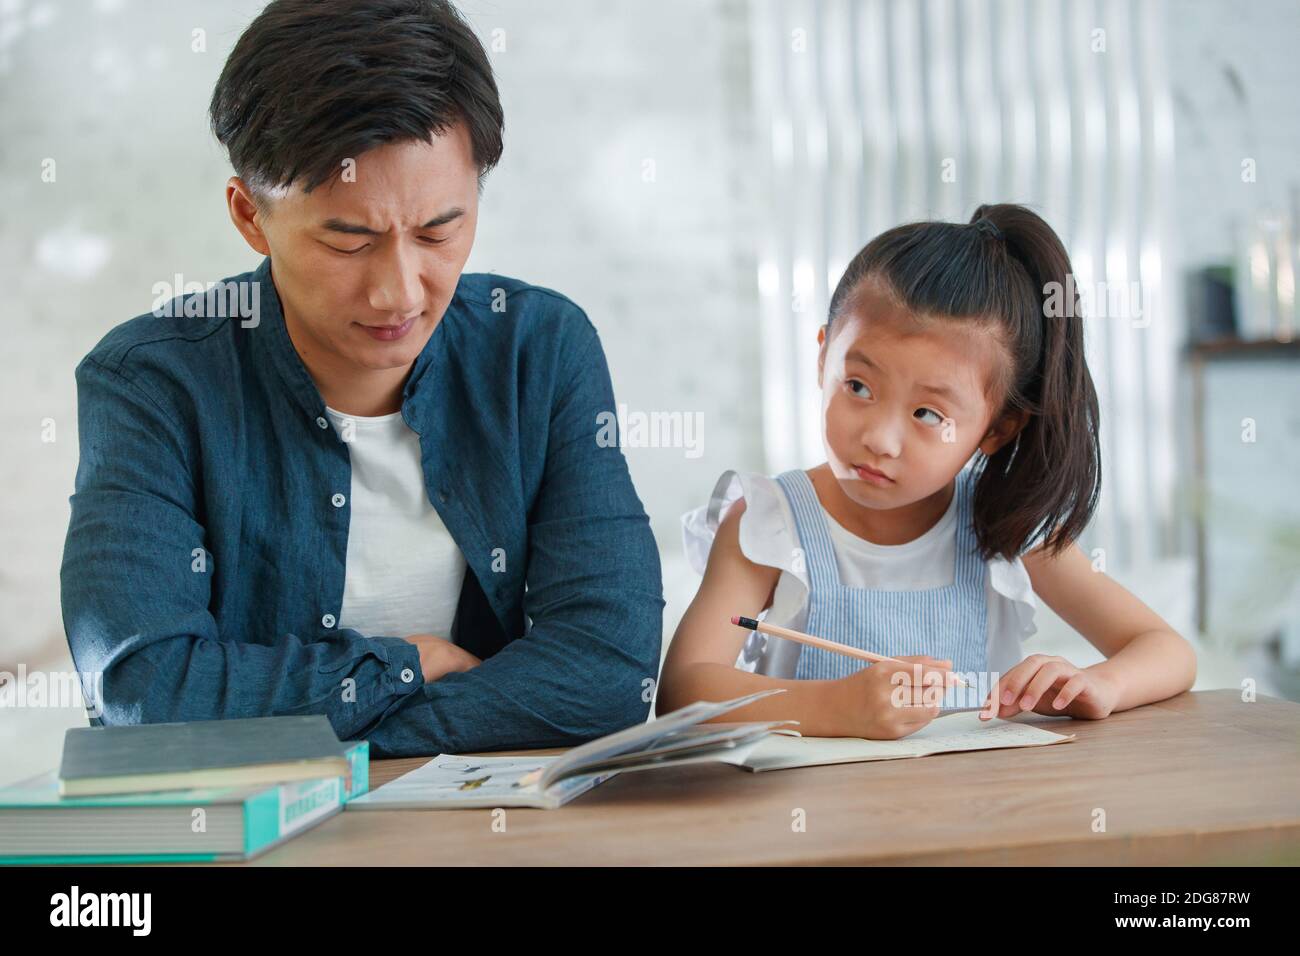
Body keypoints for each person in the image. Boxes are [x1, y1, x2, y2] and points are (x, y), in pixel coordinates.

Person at [60, 0, 663, 757]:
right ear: (251, 216)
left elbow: (609, 674)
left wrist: (332, 733)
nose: (401, 293)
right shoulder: (152, 384)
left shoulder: (538, 350)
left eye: (439, 232)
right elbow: (146, 692)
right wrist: (405, 669)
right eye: (350, 241)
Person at [657, 203, 1196, 739]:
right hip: (815, 817)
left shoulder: (1003, 520)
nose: (879, 439)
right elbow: (682, 691)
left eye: (927, 415)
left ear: (996, 429)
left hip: (975, 817)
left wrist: (1098, 683)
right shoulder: (769, 523)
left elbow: (1166, 650)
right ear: (824, 359)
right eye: (858, 386)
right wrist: (835, 707)